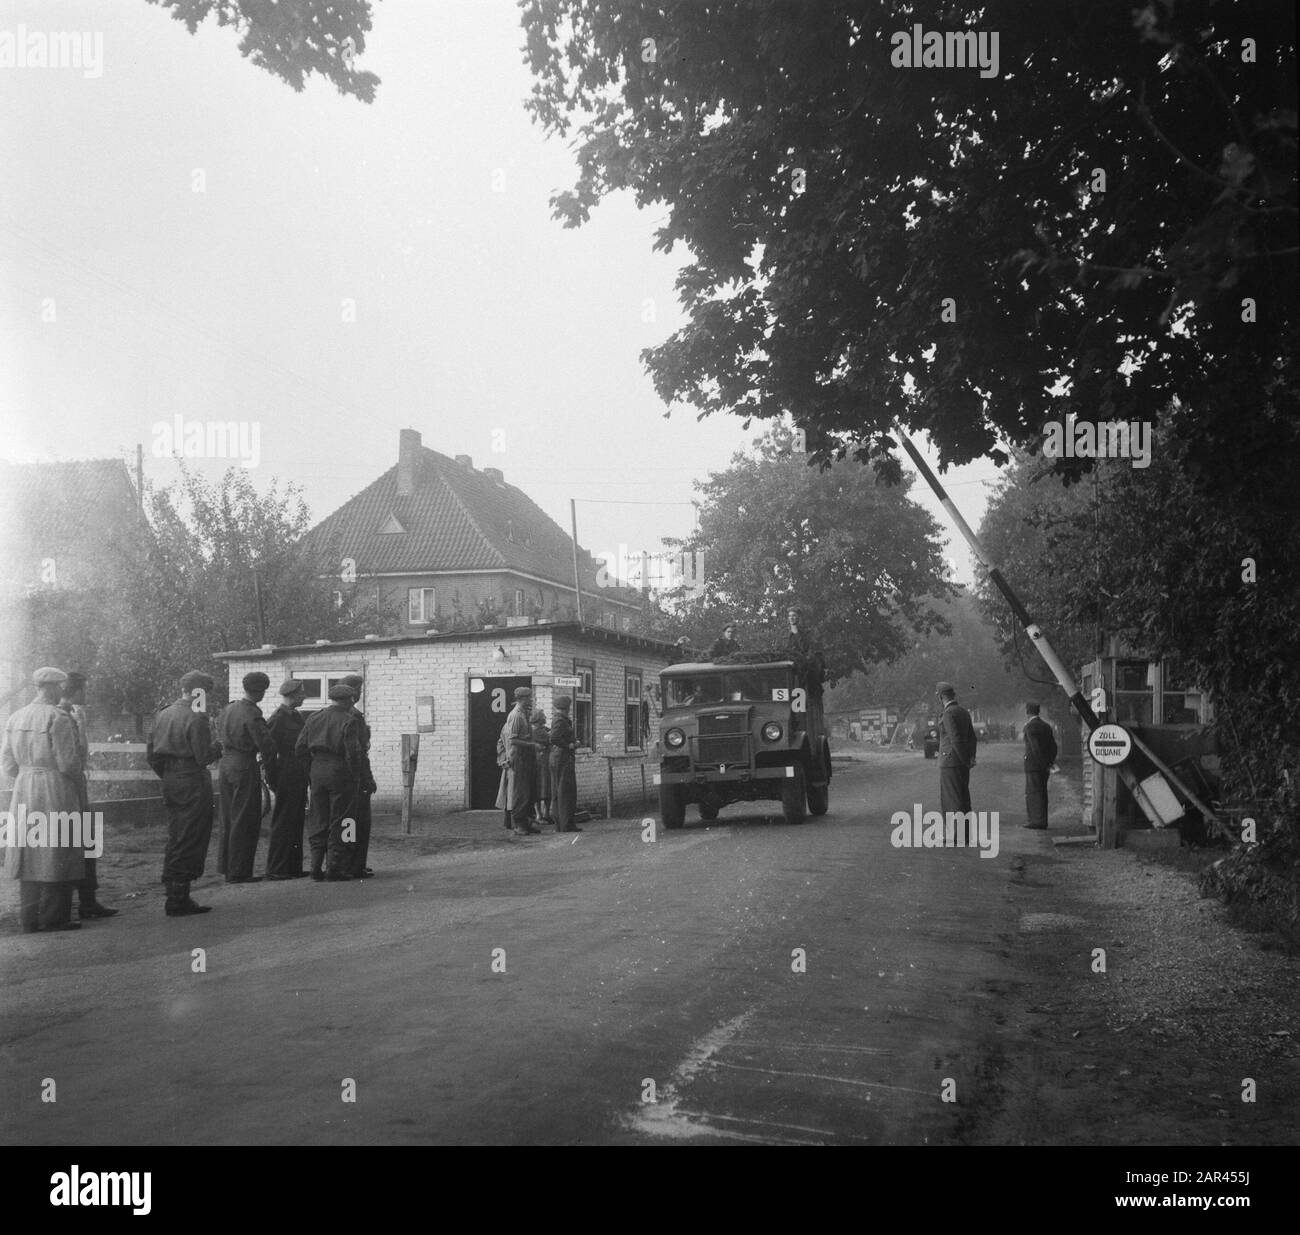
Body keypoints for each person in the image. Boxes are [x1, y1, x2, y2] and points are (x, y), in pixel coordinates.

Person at [2, 667, 86, 932]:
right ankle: (54, 917)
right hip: (54, 786)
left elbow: (7, 763)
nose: (63, 691)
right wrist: (76, 780)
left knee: (28, 849)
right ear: (51, 688)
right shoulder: (57, 717)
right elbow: (68, 762)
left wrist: (27, 774)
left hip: (24, 786)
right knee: (57, 847)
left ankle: (28, 917)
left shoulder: (16, 717)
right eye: (60, 687)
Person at [148, 670, 222, 916]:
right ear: (199, 692)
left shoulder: (163, 713)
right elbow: (203, 756)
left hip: (170, 779)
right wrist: (218, 748)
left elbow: (152, 755)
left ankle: (174, 892)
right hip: (191, 779)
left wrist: (169, 774)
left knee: (176, 834)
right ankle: (179, 898)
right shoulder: (196, 717)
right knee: (190, 835)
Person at [61, 671, 117, 919]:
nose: (86, 694)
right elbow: (79, 757)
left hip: (71, 788)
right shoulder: (66, 716)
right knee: (79, 842)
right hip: (68, 789)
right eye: (83, 689)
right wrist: (81, 726)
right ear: (75, 690)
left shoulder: (68, 713)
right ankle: (83, 902)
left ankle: (87, 900)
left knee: (86, 841)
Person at [296, 684, 364, 880]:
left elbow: (299, 748)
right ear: (348, 700)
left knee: (318, 819)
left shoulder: (314, 718)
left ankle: (315, 868)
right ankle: (335, 868)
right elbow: (353, 753)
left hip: (317, 770)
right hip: (340, 771)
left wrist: (311, 769)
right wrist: (356, 775)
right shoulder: (348, 720)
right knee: (343, 821)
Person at [215, 672, 278, 883]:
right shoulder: (252, 713)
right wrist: (271, 771)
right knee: (245, 818)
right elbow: (267, 746)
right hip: (244, 764)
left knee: (227, 817)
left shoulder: (228, 708)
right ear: (259, 691)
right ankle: (239, 871)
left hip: (225, 765)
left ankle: (227, 868)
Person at [265, 680, 310, 878]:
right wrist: (272, 777)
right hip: (285, 772)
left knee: (296, 819)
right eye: (301, 693)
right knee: (283, 821)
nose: (304, 696)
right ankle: (277, 868)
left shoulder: (296, 716)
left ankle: (293, 867)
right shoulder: (278, 718)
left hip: (297, 772)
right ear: (292, 695)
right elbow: (268, 751)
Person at [339, 673, 377, 879]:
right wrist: (366, 777)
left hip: (347, 775)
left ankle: (353, 863)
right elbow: (357, 752)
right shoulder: (352, 716)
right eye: (357, 690)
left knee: (351, 822)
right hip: (355, 776)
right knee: (356, 822)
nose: (359, 694)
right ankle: (353, 864)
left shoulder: (348, 714)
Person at [937, 681, 977, 844]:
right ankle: (965, 834)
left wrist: (963, 759)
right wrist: (970, 757)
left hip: (951, 761)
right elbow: (972, 737)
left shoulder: (948, 714)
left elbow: (955, 739)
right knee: (962, 797)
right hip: (962, 760)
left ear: (941, 697)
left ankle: (956, 835)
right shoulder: (963, 712)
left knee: (952, 799)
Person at [499, 687, 539, 835]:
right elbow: (514, 740)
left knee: (529, 791)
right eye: (529, 697)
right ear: (522, 698)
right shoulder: (516, 716)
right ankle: (519, 824)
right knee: (521, 792)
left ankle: (528, 822)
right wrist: (533, 744)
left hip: (527, 757)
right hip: (520, 757)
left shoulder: (524, 714)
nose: (531, 700)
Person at [1022, 702, 1059, 830]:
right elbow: (1053, 747)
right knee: (1042, 792)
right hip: (1045, 766)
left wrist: (1042, 763)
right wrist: (1049, 762)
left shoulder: (1029, 727)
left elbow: (1034, 748)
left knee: (1033, 793)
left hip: (1034, 765)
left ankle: (1036, 821)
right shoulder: (1046, 726)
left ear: (1028, 712)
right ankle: (1042, 819)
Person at [549, 696, 580, 833]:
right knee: (566, 791)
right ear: (567, 708)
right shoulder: (560, 721)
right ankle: (566, 825)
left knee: (558, 791)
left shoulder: (559, 719)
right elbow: (554, 737)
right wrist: (570, 745)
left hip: (558, 758)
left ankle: (560, 825)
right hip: (563, 758)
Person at [786, 606, 826, 699]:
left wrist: (796, 633)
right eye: (789, 616)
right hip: (787, 667)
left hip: (802, 667)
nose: (791, 618)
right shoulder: (785, 634)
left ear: (798, 618)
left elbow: (806, 649)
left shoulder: (806, 633)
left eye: (794, 616)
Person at [530, 708, 552, 825]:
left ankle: (543, 813)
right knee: (542, 788)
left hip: (543, 762)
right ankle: (542, 814)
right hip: (540, 762)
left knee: (543, 788)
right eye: (543, 716)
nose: (545, 718)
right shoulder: (534, 731)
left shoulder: (542, 730)